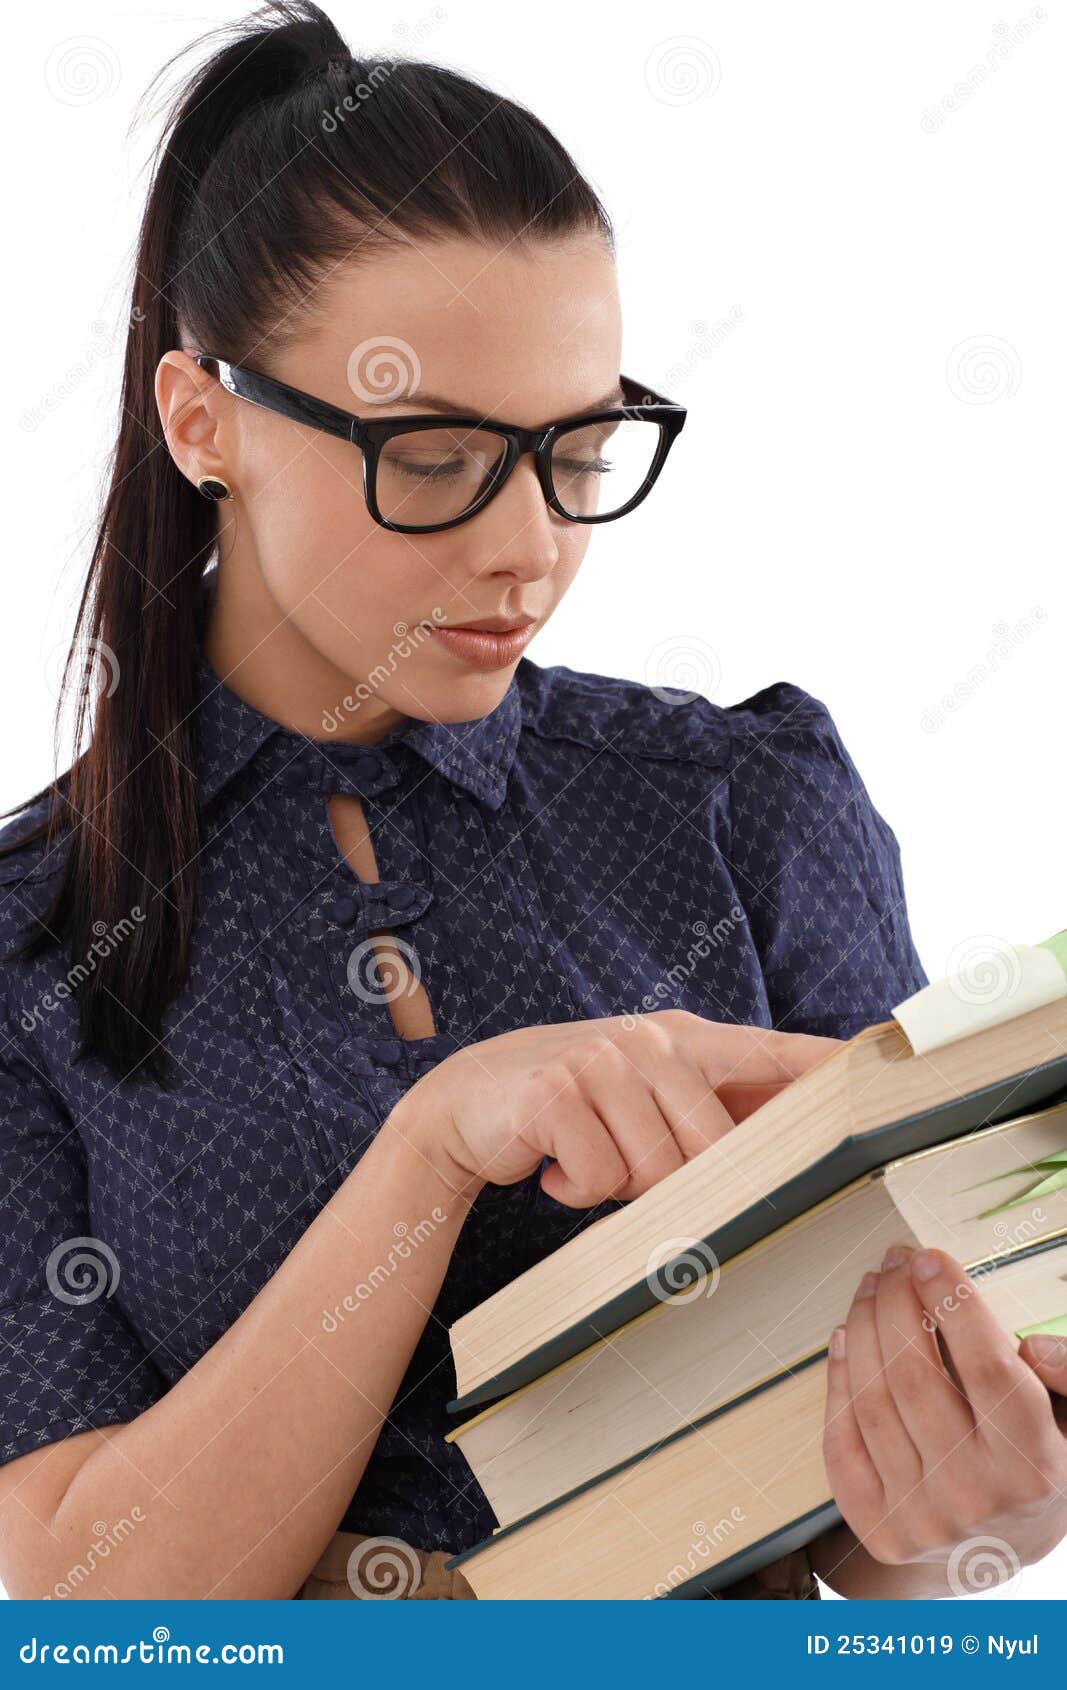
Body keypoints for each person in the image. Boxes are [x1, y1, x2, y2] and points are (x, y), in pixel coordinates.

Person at [2, 1, 1065, 1602]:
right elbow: (90, 1600)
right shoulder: (34, 941)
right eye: (433, 457)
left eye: (578, 447)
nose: (531, 546)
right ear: (200, 419)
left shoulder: (743, 805)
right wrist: (434, 1143)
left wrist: (975, 1509)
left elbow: (899, 1528)